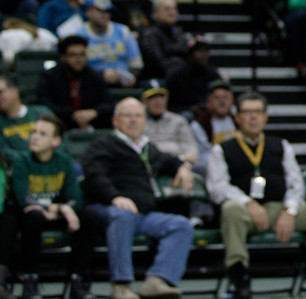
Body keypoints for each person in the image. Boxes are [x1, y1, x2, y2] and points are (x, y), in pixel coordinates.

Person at [207, 92, 306, 298]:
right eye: (247, 112)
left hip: (280, 209)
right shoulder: (222, 149)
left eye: (258, 112)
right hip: (246, 214)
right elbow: (217, 188)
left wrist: (290, 210)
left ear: (266, 116)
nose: (253, 117)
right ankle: (240, 278)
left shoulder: (281, 145)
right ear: (236, 117)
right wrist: (247, 203)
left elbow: (296, 184)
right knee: (230, 209)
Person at [82, 98, 194, 299]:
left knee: (181, 225)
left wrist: (182, 166)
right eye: (127, 116)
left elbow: (169, 161)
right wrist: (115, 197)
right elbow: (94, 176)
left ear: (144, 121)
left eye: (138, 116)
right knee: (123, 214)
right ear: (115, 121)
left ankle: (158, 280)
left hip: (142, 215)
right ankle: (121, 286)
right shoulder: (104, 144)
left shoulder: (147, 148)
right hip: (106, 210)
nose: (134, 121)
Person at [10, 114, 104, 299]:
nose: (35, 137)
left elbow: (76, 198)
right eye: (34, 132)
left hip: (58, 216)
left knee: (90, 217)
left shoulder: (65, 161)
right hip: (33, 217)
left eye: (42, 134)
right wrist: (60, 208)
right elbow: (23, 199)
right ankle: (30, 280)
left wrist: (61, 209)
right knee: (32, 217)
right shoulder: (22, 160)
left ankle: (77, 280)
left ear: (56, 141)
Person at [37, 35, 114, 130]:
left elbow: (108, 103)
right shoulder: (50, 76)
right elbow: (44, 102)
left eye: (82, 55)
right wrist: (72, 114)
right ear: (63, 57)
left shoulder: (94, 76)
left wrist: (94, 112)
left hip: (92, 123)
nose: (78, 59)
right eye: (73, 55)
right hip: (59, 123)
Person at [77, 0, 143, 87]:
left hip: (123, 85)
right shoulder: (79, 35)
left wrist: (132, 77)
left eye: (107, 11)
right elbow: (78, 67)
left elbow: (136, 64)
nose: (104, 15)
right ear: (88, 12)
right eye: (99, 10)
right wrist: (101, 75)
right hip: (92, 85)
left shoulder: (123, 31)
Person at [140, 80, 198, 166]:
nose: (158, 101)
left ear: (167, 98)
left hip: (178, 164)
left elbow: (192, 151)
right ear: (144, 100)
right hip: (147, 165)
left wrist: (179, 162)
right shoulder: (138, 120)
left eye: (161, 96)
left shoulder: (178, 120)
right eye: (152, 97)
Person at [189, 80, 238, 176]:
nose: (222, 101)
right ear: (208, 102)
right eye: (217, 97)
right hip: (212, 167)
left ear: (232, 101)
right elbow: (203, 156)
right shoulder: (199, 125)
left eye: (225, 97)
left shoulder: (239, 121)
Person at [138, 0, 192, 81]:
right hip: (158, 79)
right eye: (167, 9)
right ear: (155, 14)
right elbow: (158, 63)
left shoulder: (179, 32)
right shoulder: (149, 34)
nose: (172, 12)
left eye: (174, 9)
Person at [166, 41, 225, 114]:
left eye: (206, 51)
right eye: (200, 51)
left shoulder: (212, 74)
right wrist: (189, 108)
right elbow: (169, 103)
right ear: (191, 54)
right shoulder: (177, 74)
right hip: (182, 112)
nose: (203, 55)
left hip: (208, 112)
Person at [0, 75, 45, 153]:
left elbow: (58, 139)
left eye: (1, 92)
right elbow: (6, 153)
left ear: (15, 91)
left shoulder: (41, 112)